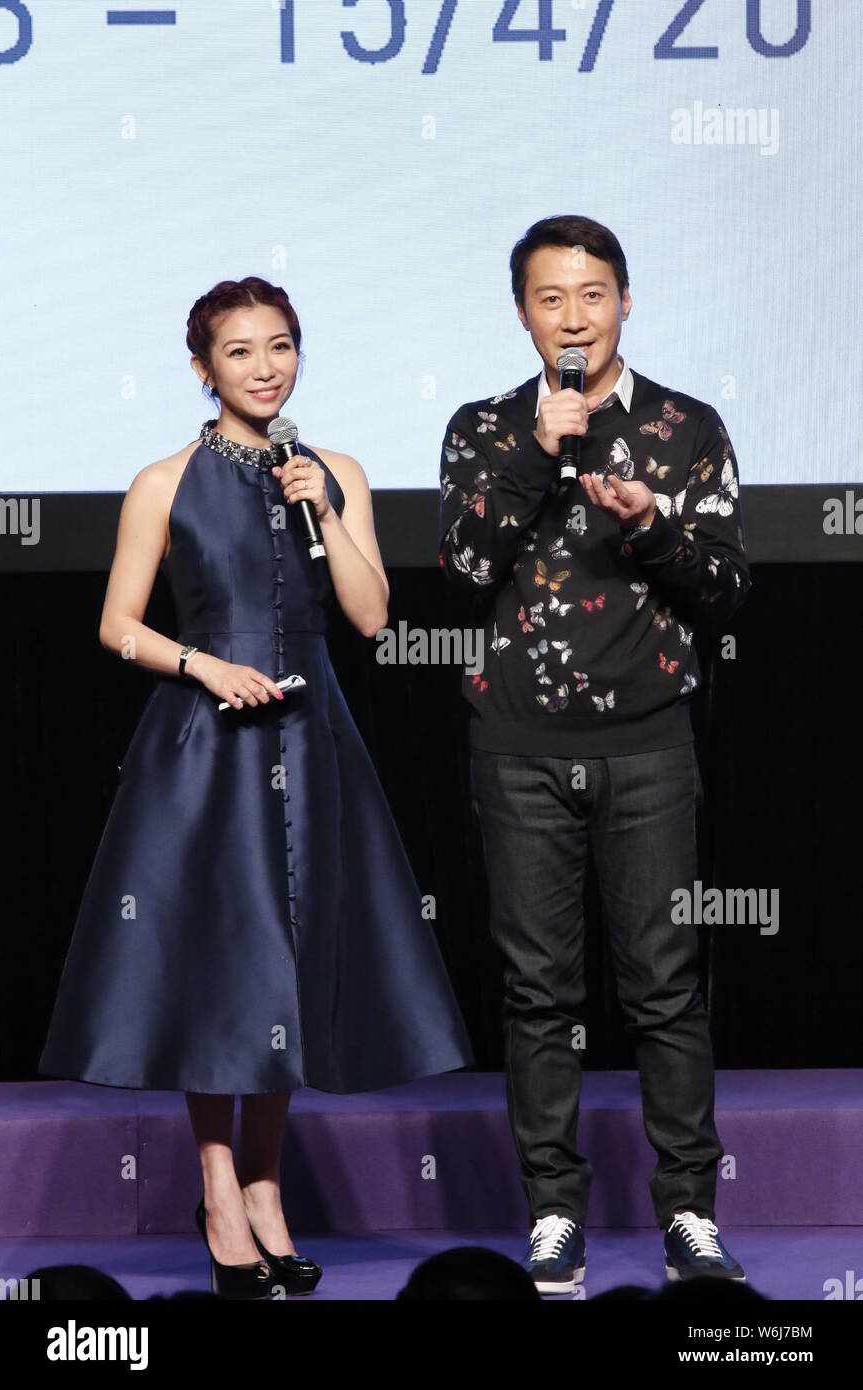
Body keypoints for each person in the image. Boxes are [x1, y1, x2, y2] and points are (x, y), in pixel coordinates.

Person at [39, 276, 473, 1299]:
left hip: (312, 740)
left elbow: (368, 618)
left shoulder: (336, 471)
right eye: (240, 351)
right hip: (204, 744)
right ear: (203, 367)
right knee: (215, 966)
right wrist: (202, 665)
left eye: (280, 346)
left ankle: (270, 1189)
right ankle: (218, 1184)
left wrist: (325, 505)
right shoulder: (162, 480)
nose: (264, 366)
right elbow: (116, 624)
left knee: (289, 968)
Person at [438, 216, 750, 1294]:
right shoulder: (483, 429)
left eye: (591, 295)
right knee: (536, 992)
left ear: (625, 301)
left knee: (664, 988)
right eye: (549, 299)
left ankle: (689, 1216)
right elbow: (466, 567)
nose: (572, 318)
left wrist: (650, 525)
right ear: (521, 311)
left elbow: (723, 588)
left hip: (649, 745)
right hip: (516, 747)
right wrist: (538, 450)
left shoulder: (682, 427)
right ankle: (554, 1212)